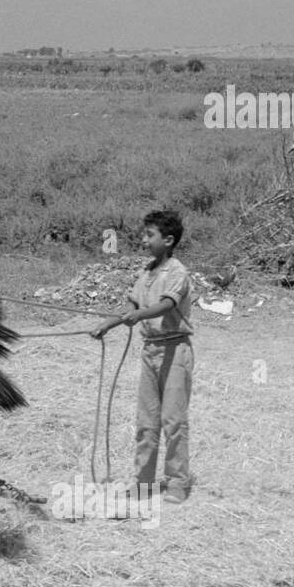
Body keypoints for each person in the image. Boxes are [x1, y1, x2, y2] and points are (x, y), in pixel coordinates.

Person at [91, 210, 193, 503]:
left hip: (175, 351)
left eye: (150, 235)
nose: (143, 240)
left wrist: (139, 315)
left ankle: (177, 482)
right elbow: (130, 308)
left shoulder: (178, 272)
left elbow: (166, 305)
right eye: (144, 234)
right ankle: (143, 482)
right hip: (150, 350)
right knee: (146, 421)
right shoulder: (146, 273)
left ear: (168, 240)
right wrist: (108, 324)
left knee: (173, 420)